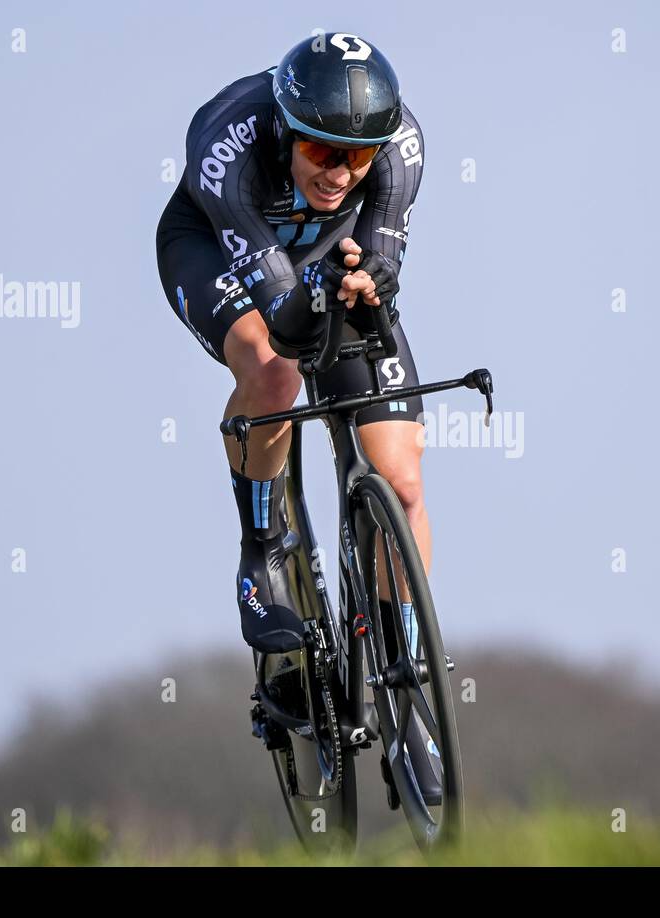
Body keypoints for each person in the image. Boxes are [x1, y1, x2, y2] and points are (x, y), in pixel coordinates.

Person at [155, 33, 431, 727]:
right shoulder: (231, 150)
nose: (341, 172)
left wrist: (373, 279)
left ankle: (408, 650)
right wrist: (316, 288)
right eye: (321, 151)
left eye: (357, 155)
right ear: (285, 130)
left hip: (323, 260)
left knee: (400, 476)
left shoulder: (401, 149)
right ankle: (264, 547)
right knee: (276, 370)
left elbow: (380, 260)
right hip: (216, 250)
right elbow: (284, 320)